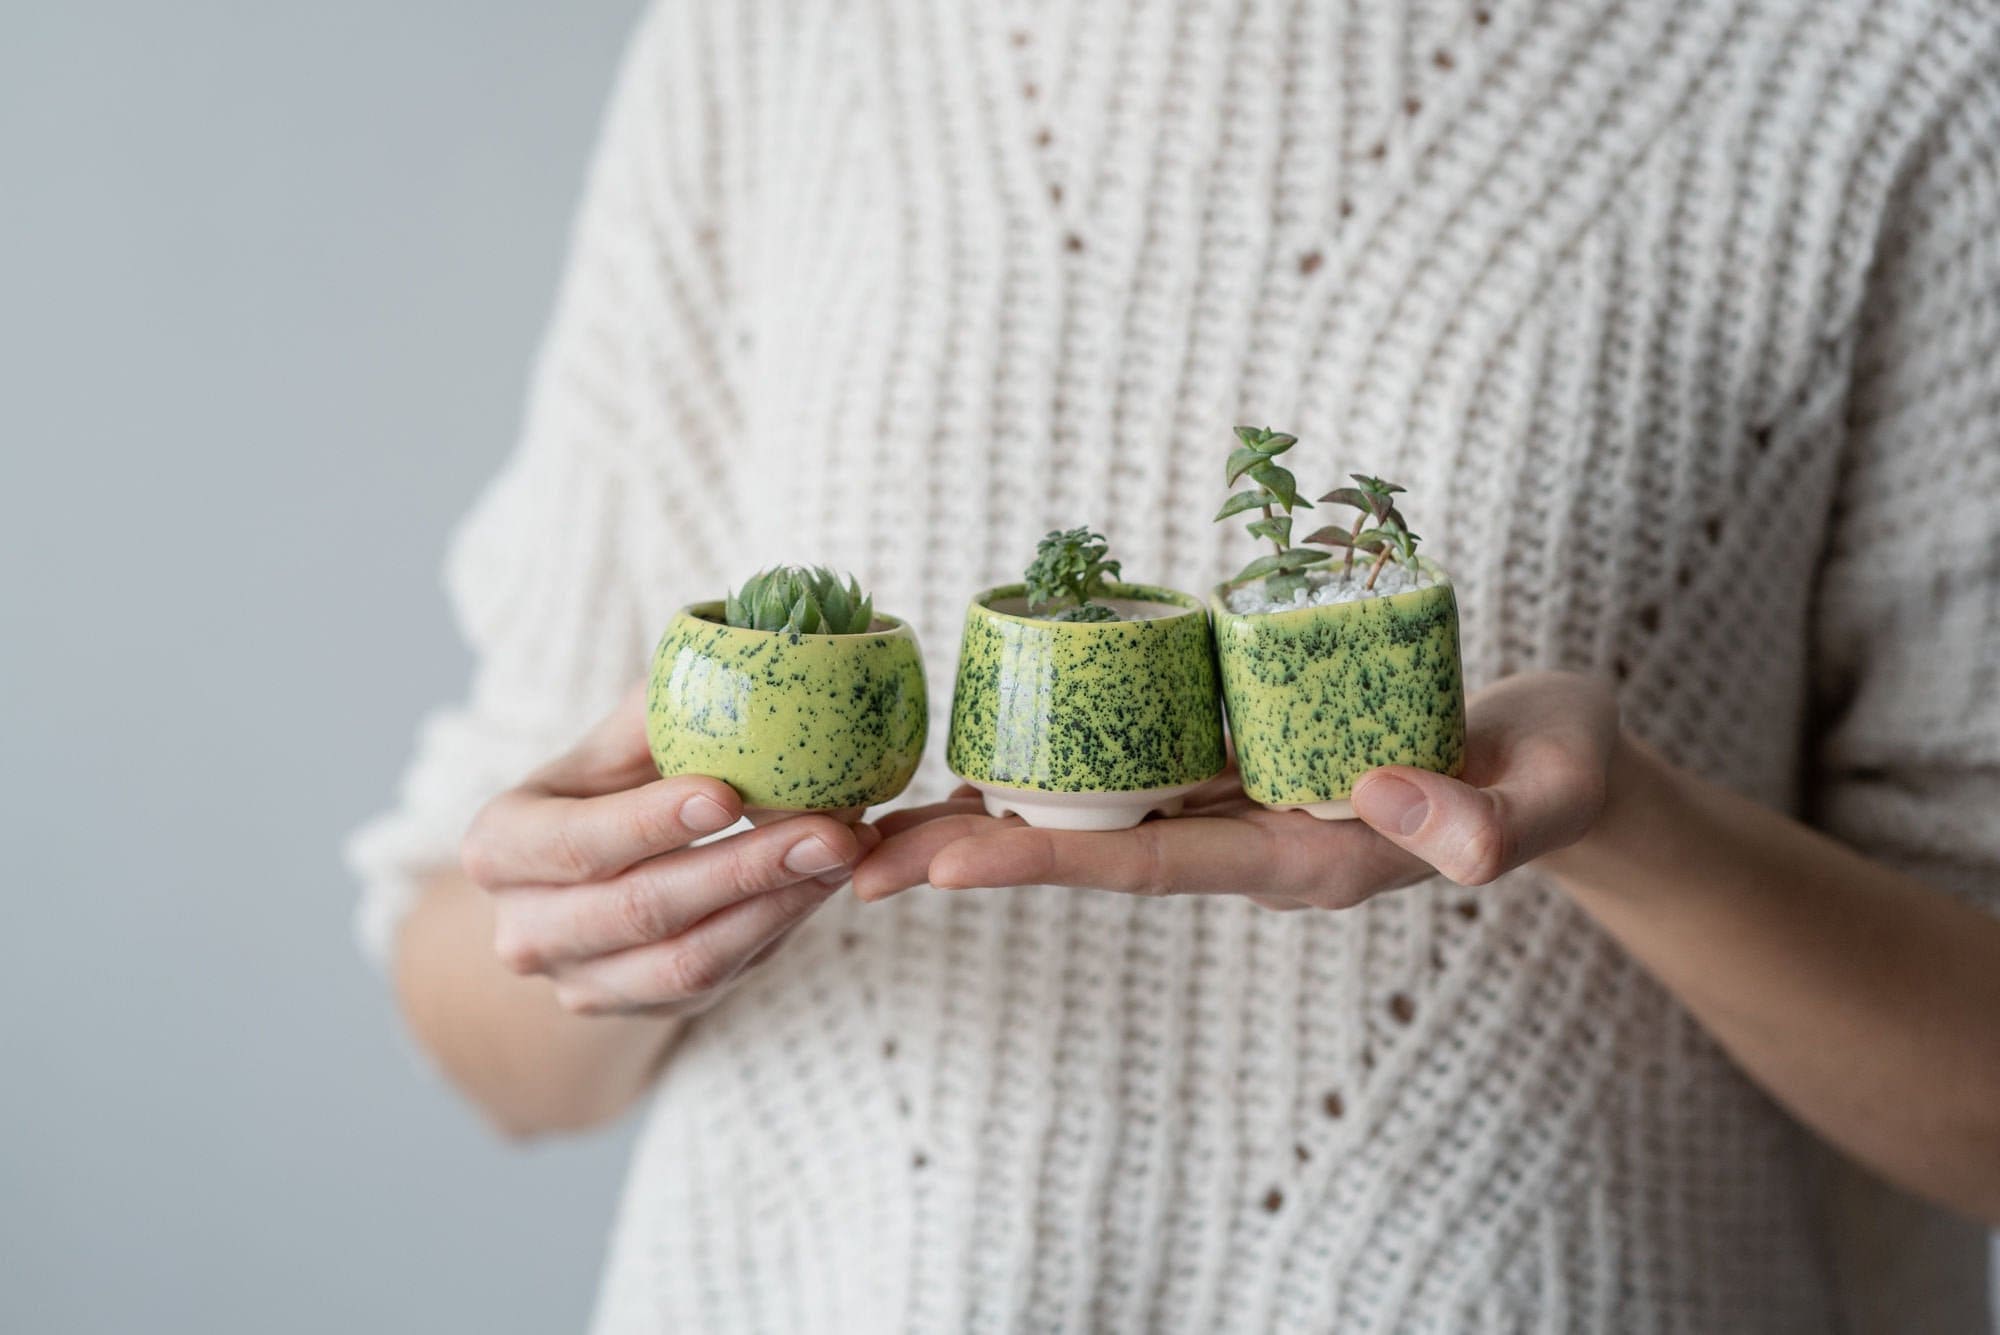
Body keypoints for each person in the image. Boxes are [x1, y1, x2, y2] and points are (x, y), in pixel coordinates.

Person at [348, 1, 2000, 1330]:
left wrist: (1625, 819)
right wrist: (612, 928)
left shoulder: (1886, 62)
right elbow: (489, 1027)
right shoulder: (774, 39)